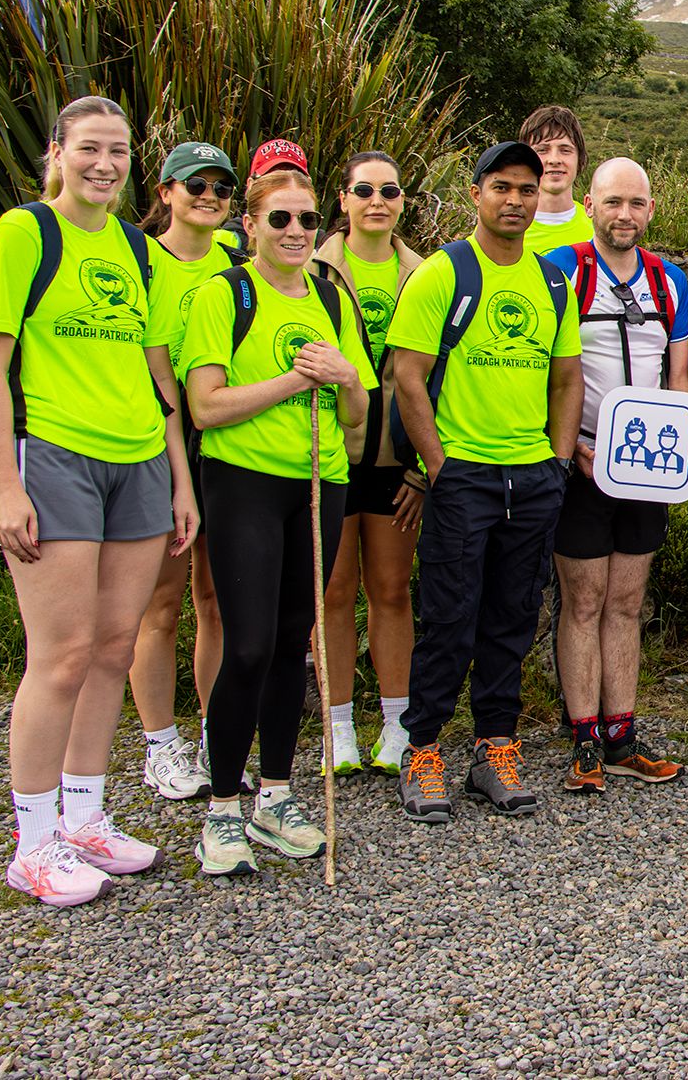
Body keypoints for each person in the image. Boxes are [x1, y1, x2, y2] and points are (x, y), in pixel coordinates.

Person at [0, 96, 199, 906]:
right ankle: (32, 845)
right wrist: (5, 486)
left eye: (120, 151)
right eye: (90, 148)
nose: (105, 164)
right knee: (59, 656)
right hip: (56, 457)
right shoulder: (24, 235)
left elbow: (157, 373)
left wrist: (178, 478)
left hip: (137, 458)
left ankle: (85, 815)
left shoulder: (137, 250)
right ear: (58, 151)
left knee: (111, 647)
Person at [183, 166, 374, 875]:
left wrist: (348, 379)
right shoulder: (223, 295)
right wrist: (300, 379)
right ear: (250, 228)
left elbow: (357, 420)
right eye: (279, 219)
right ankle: (222, 809)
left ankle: (276, 795)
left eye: (305, 220)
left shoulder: (329, 297)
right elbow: (206, 407)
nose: (295, 232)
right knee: (251, 646)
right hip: (244, 482)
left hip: (319, 483)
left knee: (298, 643)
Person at [387, 142, 582, 823]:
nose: (516, 201)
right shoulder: (444, 272)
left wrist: (556, 463)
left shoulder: (552, 280)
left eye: (527, 190)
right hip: (463, 475)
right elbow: (407, 375)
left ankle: (495, 748)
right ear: (476, 194)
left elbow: (566, 377)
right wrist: (440, 464)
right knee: (449, 616)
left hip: (532, 477)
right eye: (502, 187)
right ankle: (423, 750)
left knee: (511, 619)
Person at [543, 158, 688, 793]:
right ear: (591, 206)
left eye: (635, 203)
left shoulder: (670, 281)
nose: (623, 214)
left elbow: (678, 376)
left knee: (626, 603)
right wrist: (565, 442)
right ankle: (583, 740)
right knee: (582, 601)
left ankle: (622, 735)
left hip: (648, 467)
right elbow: (546, 371)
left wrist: (684, 456)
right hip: (581, 463)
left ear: (650, 209)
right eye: (612, 203)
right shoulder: (562, 271)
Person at [310, 153, 426, 776]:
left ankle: (396, 725)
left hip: (396, 459)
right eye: (364, 189)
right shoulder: (314, 266)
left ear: (403, 200)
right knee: (332, 591)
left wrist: (421, 467)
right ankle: (337, 729)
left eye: (389, 190)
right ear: (344, 197)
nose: (376, 200)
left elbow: (438, 376)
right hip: (330, 452)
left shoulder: (423, 272)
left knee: (390, 590)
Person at [131, 142, 241, 802]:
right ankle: (158, 745)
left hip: (225, 438)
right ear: (166, 191)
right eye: (194, 183)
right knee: (161, 603)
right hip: (156, 440)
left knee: (216, 601)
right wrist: (175, 472)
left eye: (222, 187)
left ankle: (212, 736)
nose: (209, 195)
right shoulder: (142, 260)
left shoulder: (235, 262)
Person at [519, 106, 596, 257]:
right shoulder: (505, 226)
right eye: (542, 150)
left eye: (565, 150)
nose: (554, 160)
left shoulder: (598, 227)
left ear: (580, 159)